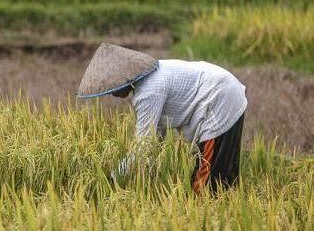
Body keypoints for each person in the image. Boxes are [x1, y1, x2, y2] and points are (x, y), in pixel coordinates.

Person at [77, 43, 247, 195]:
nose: (113, 93)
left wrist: (112, 178)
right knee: (221, 174)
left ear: (124, 78)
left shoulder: (149, 91)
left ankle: (210, 217)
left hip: (220, 97)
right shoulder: (149, 81)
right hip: (224, 91)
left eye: (112, 87)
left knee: (207, 181)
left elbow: (143, 146)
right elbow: (156, 138)